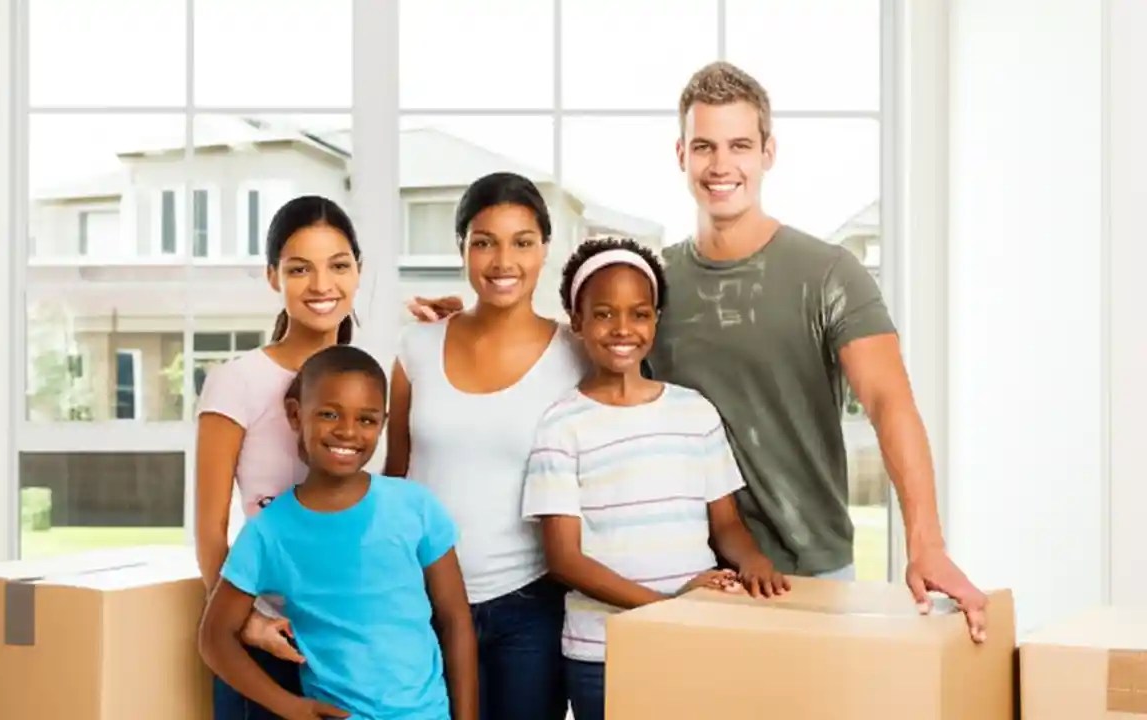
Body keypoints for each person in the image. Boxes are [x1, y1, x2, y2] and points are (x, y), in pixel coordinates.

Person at [409, 61, 989, 642]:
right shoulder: (653, 286)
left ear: (768, 152)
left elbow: (889, 401)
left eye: (739, 144)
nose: (721, 165)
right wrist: (474, 322)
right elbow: (582, 344)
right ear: (681, 154)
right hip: (695, 584)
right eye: (705, 146)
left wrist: (926, 542)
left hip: (811, 570)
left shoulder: (830, 273)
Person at [522, 238, 787, 720]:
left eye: (638, 313)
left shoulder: (695, 411)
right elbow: (564, 558)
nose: (623, 328)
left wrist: (753, 561)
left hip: (693, 641)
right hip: (602, 653)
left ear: (656, 319)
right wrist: (665, 606)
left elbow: (725, 525)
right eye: (604, 314)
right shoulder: (561, 425)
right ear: (576, 322)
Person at [384, 172, 584, 720]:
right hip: (421, 601)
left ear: (545, 249)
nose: (503, 261)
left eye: (522, 241)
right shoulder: (416, 346)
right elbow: (394, 478)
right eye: (484, 241)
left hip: (531, 605)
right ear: (462, 249)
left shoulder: (577, 354)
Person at [199, 344, 478, 720]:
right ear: (296, 415)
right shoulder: (270, 533)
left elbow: (456, 620)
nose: (347, 432)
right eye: (329, 414)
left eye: (366, 420)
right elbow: (214, 638)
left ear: (382, 423)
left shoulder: (415, 506)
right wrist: (290, 707)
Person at [195, 195, 362, 719]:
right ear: (273, 277)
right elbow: (208, 527)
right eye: (299, 269)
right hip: (263, 642)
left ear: (359, 272)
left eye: (338, 266)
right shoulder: (236, 381)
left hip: (346, 640)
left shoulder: (368, 377)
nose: (321, 285)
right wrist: (248, 624)